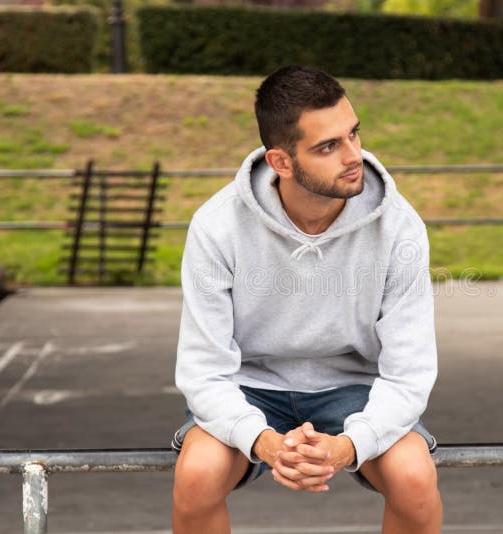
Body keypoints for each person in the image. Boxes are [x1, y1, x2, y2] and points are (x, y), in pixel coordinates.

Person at [171, 65, 441, 533]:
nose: (353, 155)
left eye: (353, 134)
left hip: (356, 390)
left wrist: (348, 445)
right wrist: (264, 441)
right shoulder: (216, 226)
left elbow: (410, 373)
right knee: (196, 477)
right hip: (248, 387)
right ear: (281, 162)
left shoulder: (399, 226)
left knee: (414, 478)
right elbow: (202, 370)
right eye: (328, 147)